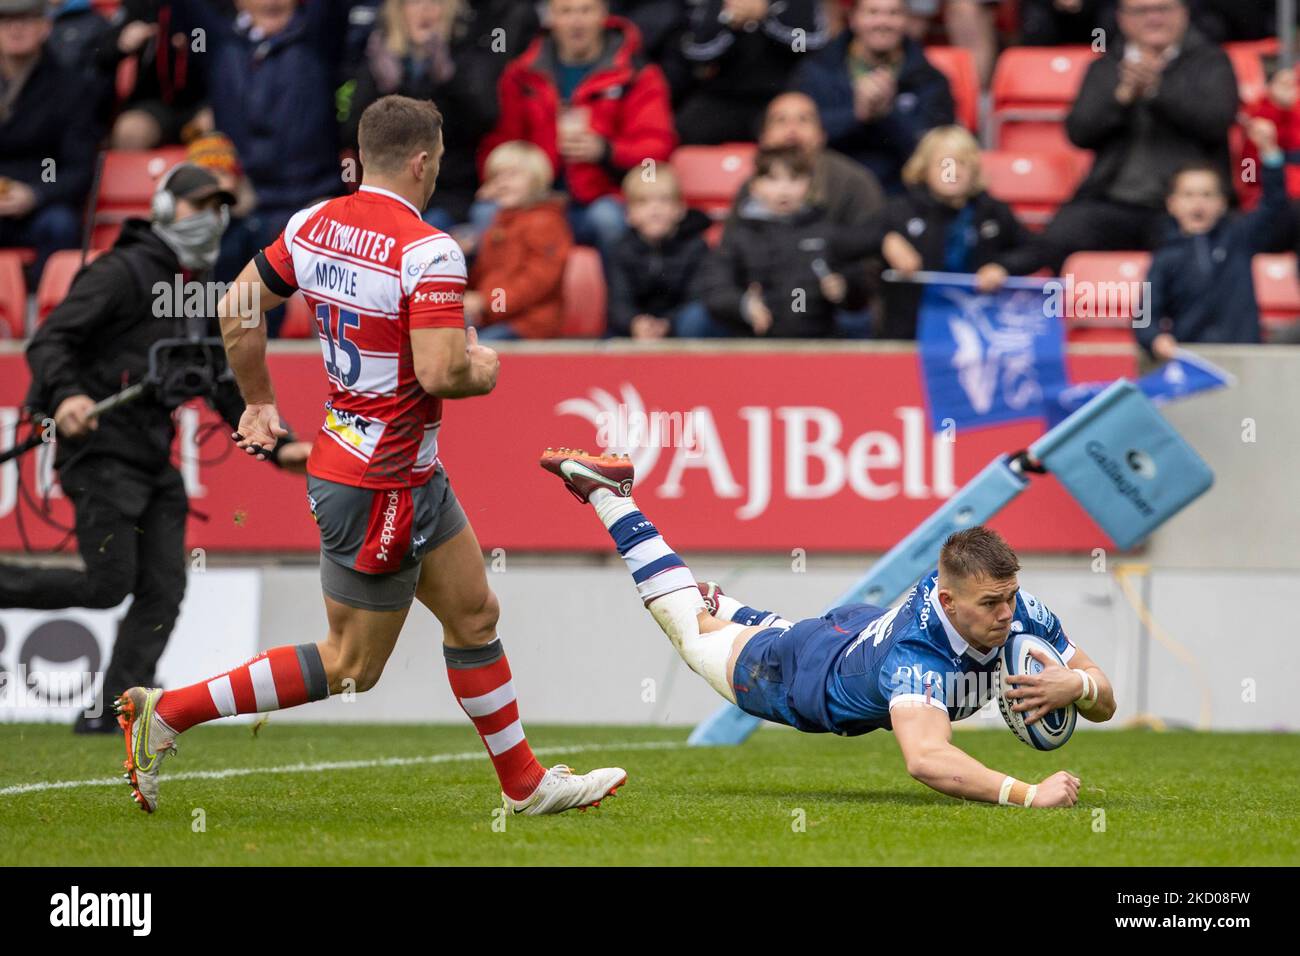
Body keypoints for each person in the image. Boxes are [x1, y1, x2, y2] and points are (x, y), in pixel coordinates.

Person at [112, 96, 625, 816]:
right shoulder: (430, 250)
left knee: (475, 613)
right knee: (352, 664)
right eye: (441, 160)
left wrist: (259, 401)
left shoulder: (314, 223)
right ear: (422, 161)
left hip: (396, 466)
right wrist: (487, 368)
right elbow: (445, 372)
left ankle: (526, 785)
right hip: (380, 479)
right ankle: (167, 712)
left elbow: (236, 306)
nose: (440, 170)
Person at [539, 448, 1115, 808]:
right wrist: (1027, 793)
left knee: (742, 624)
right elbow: (926, 759)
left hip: (847, 637)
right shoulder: (918, 656)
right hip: (794, 677)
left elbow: (1102, 699)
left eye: (1010, 597)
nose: (1007, 615)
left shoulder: (1020, 609)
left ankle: (726, 610)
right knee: (686, 629)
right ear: (947, 600)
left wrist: (1078, 685)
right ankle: (612, 499)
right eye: (991, 603)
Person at [5, 163, 310, 735]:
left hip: (150, 457)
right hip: (99, 451)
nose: (213, 220)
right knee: (107, 583)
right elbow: (51, 339)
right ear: (167, 209)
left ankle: (111, 711)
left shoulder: (195, 288)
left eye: (220, 208)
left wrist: (280, 447)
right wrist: (68, 395)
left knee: (163, 587)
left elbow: (221, 384)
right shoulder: (120, 272)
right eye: (200, 206)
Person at [1032, 0, 1238, 272]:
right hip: (1111, 201)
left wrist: (1156, 92)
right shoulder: (1105, 66)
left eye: (1163, 9)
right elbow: (1078, 133)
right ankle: (1068, 313)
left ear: (1184, 13)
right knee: (1059, 237)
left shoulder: (1212, 62)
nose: (1153, 18)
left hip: (1185, 203)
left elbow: (1215, 122)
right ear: (1121, 17)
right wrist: (1120, 99)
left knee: (1209, 254)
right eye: (1141, 11)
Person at [476, 0, 677, 255]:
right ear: (550, 18)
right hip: (535, 198)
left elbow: (657, 148)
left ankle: (614, 296)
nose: (576, 21)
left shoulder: (638, 75)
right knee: (486, 213)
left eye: (586, 10)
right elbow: (502, 140)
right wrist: (496, 179)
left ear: (604, 15)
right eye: (566, 11)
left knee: (608, 219)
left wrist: (607, 151)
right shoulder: (521, 73)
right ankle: (498, 296)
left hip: (603, 196)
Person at [338, 0, 501, 231]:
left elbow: (485, 119)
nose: (424, 11)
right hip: (389, 189)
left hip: (449, 190)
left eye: (435, 3)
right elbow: (351, 132)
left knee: (422, 229)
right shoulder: (379, 60)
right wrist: (384, 90)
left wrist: (449, 79)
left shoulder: (467, 55)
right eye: (414, 3)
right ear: (398, 11)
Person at [1138, 118, 1289, 358]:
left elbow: (1274, 204)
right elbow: (1143, 314)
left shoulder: (1239, 237)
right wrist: (1154, 338)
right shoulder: (1164, 257)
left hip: (1245, 358)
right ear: (1172, 204)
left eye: (1207, 195)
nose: (1198, 203)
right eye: (1188, 195)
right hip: (1193, 362)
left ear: (1221, 204)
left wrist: (1269, 153)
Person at [875, 125, 1042, 339]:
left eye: (962, 163)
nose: (953, 172)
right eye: (945, 163)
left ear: (974, 169)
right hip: (912, 333)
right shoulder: (900, 210)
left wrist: (1002, 267)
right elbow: (848, 240)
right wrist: (885, 240)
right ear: (924, 168)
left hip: (980, 329)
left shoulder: (991, 210)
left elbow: (1037, 250)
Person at [690, 145, 869, 338]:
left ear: (809, 184)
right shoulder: (739, 236)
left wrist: (844, 288)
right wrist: (743, 305)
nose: (784, 189)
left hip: (818, 340)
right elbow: (715, 285)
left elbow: (860, 284)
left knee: (860, 322)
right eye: (772, 179)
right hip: (754, 342)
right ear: (754, 186)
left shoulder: (827, 233)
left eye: (794, 179)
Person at [792, 0, 954, 194]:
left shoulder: (930, 78)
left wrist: (889, 114)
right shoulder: (816, 70)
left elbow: (937, 150)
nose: (882, 22)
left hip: (904, 194)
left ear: (907, 20)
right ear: (853, 19)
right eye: (872, 12)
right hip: (827, 192)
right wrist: (856, 115)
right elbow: (795, 138)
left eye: (893, 13)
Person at [0, 0, 101, 285]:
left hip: (43, 203)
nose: (16, 29)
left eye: (27, 20)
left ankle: (51, 313)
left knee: (60, 225)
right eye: (6, 21)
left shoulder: (71, 87)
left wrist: (35, 194)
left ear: (46, 27)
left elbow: (80, 169)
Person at [674, 0, 830, 145]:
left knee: (797, 128)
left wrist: (765, 15)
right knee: (685, 127)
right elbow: (696, 53)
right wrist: (730, 25)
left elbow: (806, 44)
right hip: (725, 97)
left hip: (781, 95)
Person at [464, 141, 573, 341]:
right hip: (496, 318)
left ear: (536, 179)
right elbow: (486, 274)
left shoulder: (546, 222)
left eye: (512, 175)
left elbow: (535, 282)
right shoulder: (498, 223)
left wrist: (485, 302)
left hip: (531, 324)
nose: (503, 183)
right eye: (497, 177)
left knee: (477, 348)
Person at [605, 165, 712, 339]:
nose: (654, 209)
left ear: (680, 209)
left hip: (680, 330)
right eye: (643, 202)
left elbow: (697, 298)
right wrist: (635, 323)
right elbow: (618, 303)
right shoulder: (621, 249)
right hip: (632, 332)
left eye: (664, 200)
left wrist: (667, 324)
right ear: (628, 214)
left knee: (697, 317)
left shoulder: (696, 247)